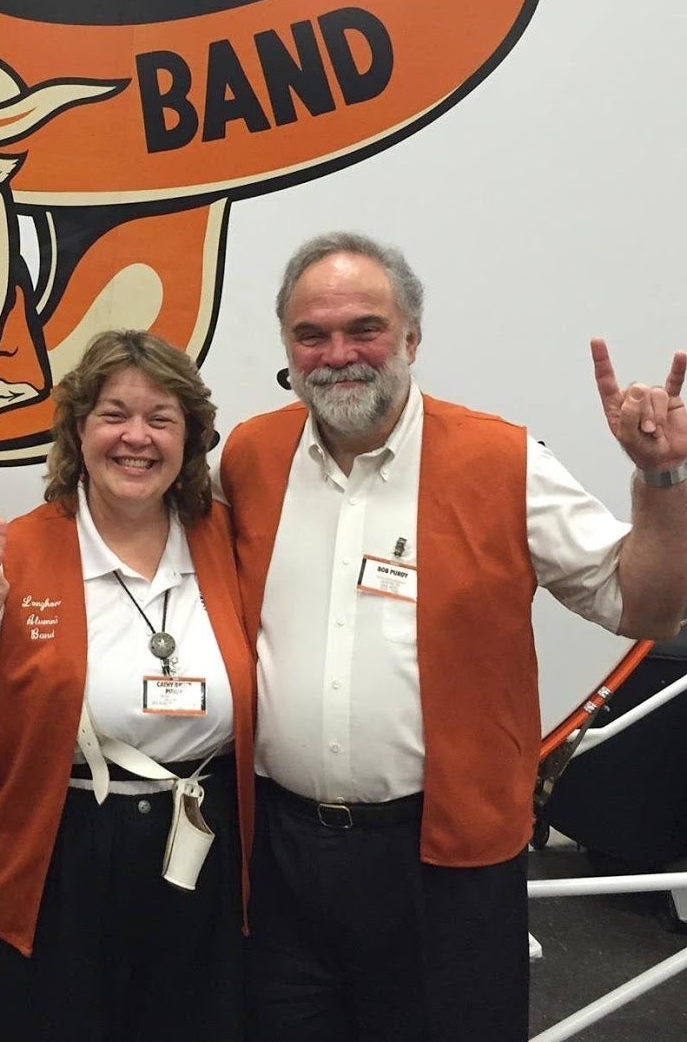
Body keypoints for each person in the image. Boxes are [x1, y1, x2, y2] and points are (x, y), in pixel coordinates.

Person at [219, 230, 687, 1042]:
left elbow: (644, 610)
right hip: (281, 855)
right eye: (311, 334)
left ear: (412, 337)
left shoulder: (504, 461)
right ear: (287, 347)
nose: (338, 354)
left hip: (444, 859)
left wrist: (662, 480)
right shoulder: (250, 456)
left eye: (364, 328)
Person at [0, 329, 255, 1040]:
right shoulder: (13, 551)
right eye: (113, 414)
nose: (135, 437)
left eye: (160, 418)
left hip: (201, 844)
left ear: (191, 438)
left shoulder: (231, 546)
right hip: (58, 854)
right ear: (78, 430)